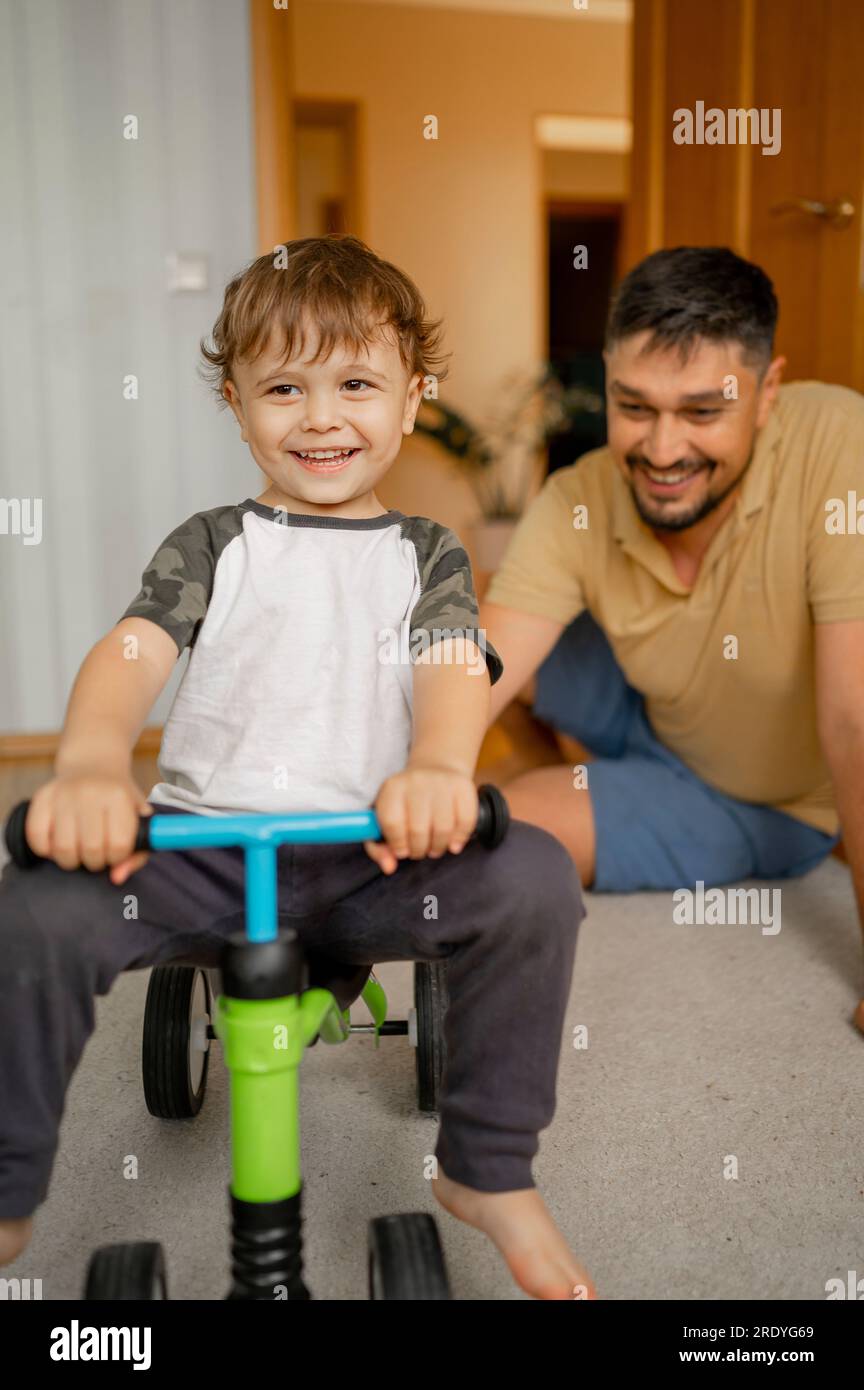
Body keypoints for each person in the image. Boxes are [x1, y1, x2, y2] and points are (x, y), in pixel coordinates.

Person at [0, 234, 594, 1301]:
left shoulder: (427, 551)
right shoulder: (216, 542)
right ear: (236, 403)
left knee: (534, 878)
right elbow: (133, 653)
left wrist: (439, 766)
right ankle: (5, 1192)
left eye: (357, 384)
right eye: (285, 387)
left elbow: (453, 664)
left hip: (373, 856)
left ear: (414, 398)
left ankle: (489, 1167)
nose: (321, 417)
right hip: (203, 855)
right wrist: (91, 765)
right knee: (35, 903)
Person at [482, 246, 864, 1032]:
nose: (661, 451)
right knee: (483, 636)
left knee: (506, 826)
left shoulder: (839, 442)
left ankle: (594, 772)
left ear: (767, 394)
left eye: (701, 412)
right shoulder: (579, 493)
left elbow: (853, 721)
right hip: (643, 692)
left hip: (750, 798)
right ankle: (575, 742)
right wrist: (408, 777)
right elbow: (475, 666)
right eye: (635, 407)